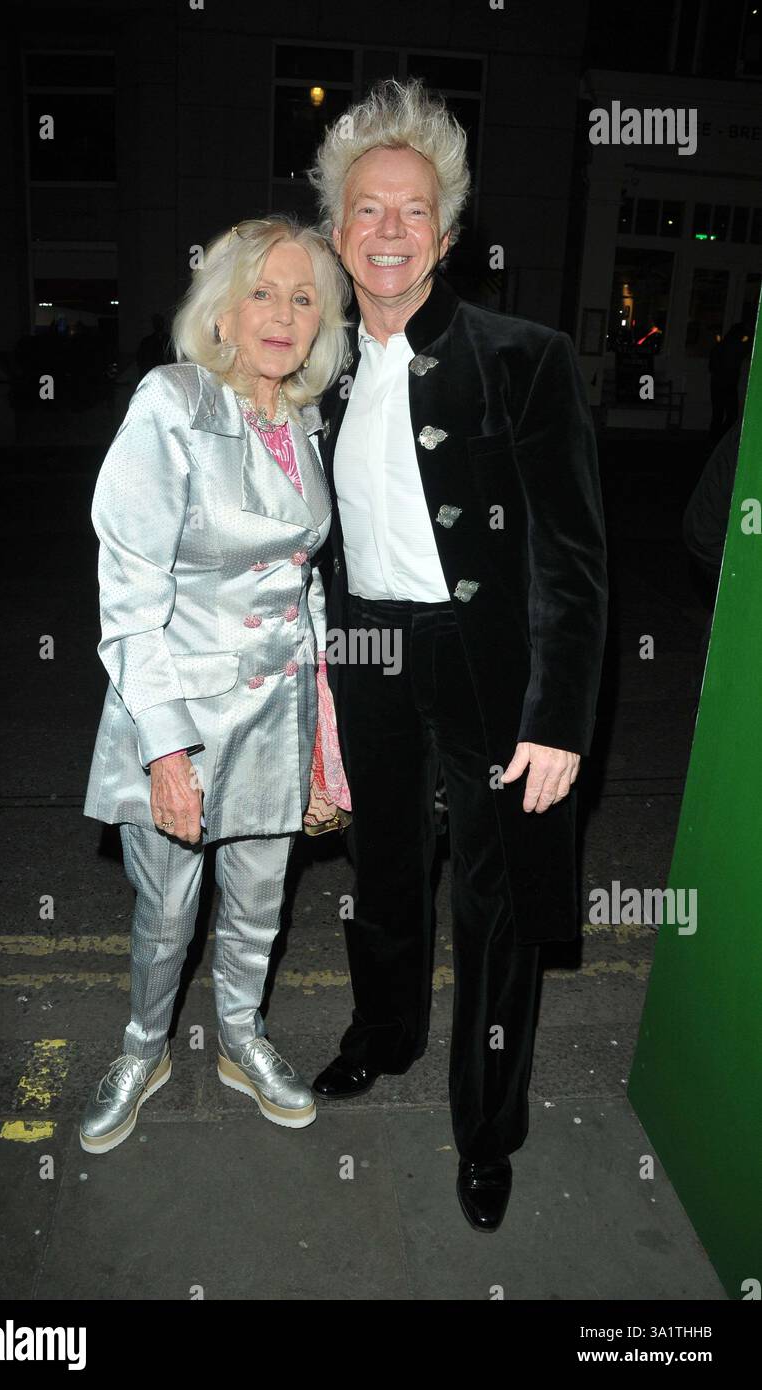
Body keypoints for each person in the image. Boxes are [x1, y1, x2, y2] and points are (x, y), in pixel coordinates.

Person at [306, 79, 608, 1231]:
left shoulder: (521, 357)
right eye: (367, 211)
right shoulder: (313, 369)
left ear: (448, 229)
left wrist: (558, 718)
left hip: (486, 659)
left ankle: (487, 1129)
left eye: (414, 211)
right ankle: (380, 1036)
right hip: (369, 648)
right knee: (381, 875)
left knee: (495, 906)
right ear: (338, 230)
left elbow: (573, 560)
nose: (389, 231)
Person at [80, 216, 349, 1152]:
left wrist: (323, 733)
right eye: (262, 293)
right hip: (182, 715)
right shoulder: (172, 402)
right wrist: (164, 745)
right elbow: (128, 586)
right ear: (222, 313)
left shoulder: (303, 418)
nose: (283, 314)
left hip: (277, 716)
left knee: (260, 906)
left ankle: (241, 1038)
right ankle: (141, 1049)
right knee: (166, 912)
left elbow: (300, 582)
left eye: (304, 297)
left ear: (322, 325)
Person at [708, 324, 749, 440]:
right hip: (728, 383)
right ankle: (720, 437)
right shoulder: (736, 346)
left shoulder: (721, 346)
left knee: (718, 414)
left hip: (717, 382)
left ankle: (714, 439)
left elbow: (711, 366)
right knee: (731, 415)